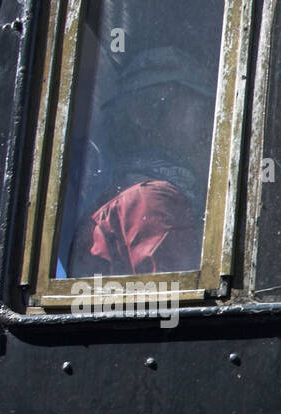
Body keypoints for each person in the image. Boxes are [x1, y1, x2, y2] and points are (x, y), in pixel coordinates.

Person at [67, 47, 217, 277]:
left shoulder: (128, 194)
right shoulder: (153, 200)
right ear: (143, 114)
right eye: (199, 105)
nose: (212, 119)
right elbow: (176, 307)